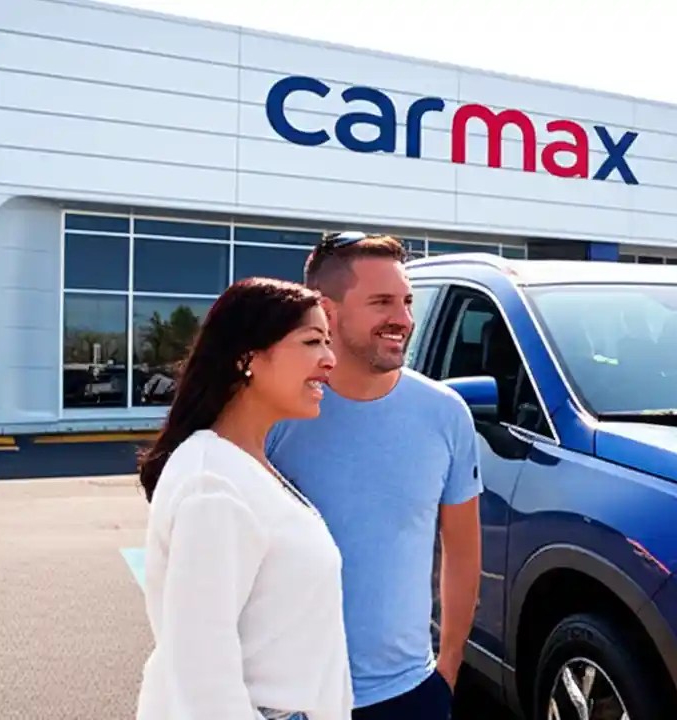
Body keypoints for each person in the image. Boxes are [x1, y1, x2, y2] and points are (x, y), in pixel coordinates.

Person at [265, 232, 483, 719]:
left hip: (410, 695)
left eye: (406, 302)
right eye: (382, 302)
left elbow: (462, 550)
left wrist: (447, 667)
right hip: (292, 701)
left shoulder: (445, 413)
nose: (404, 319)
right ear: (327, 309)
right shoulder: (275, 411)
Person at [133, 277, 351, 720]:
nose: (330, 359)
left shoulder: (241, 464)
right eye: (312, 341)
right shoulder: (213, 486)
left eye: (328, 342)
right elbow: (201, 672)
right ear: (247, 356)